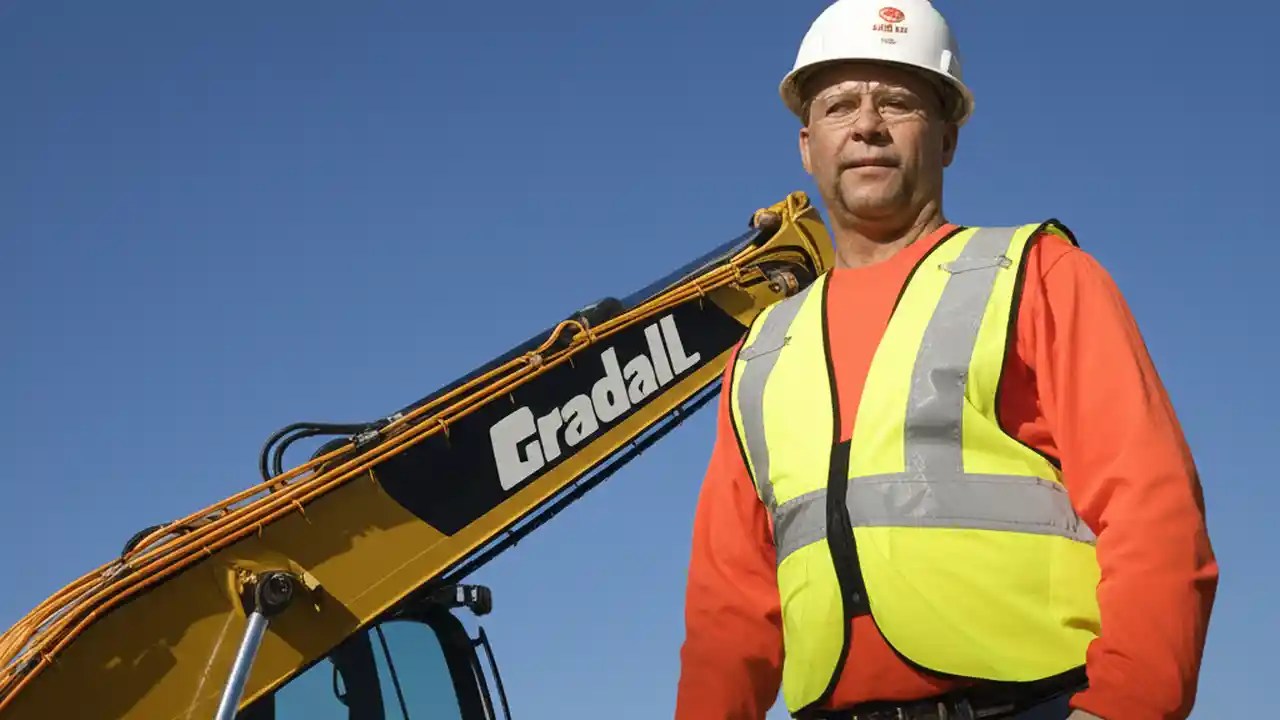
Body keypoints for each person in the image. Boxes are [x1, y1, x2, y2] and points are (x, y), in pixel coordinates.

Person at [673, 1, 1219, 719]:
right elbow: (728, 610)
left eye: (897, 101)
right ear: (807, 145)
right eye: (839, 106)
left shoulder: (1038, 276)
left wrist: (1126, 707)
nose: (867, 124)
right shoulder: (761, 354)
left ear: (948, 137)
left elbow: (1153, 511)